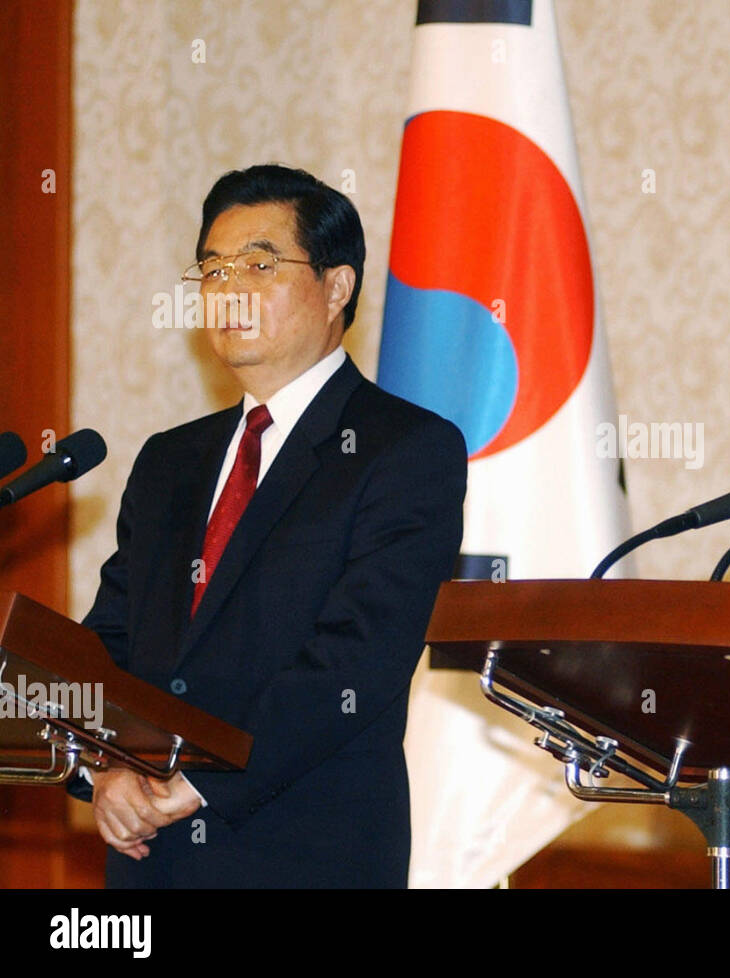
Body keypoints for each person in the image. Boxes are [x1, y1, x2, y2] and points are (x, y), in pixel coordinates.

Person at [72, 164, 467, 887]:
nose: (228, 290)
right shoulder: (171, 460)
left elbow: (357, 659)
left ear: (336, 287)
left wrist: (197, 782)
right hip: (147, 862)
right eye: (213, 269)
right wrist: (105, 769)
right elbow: (112, 641)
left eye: (258, 264)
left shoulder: (405, 449)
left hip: (304, 853)